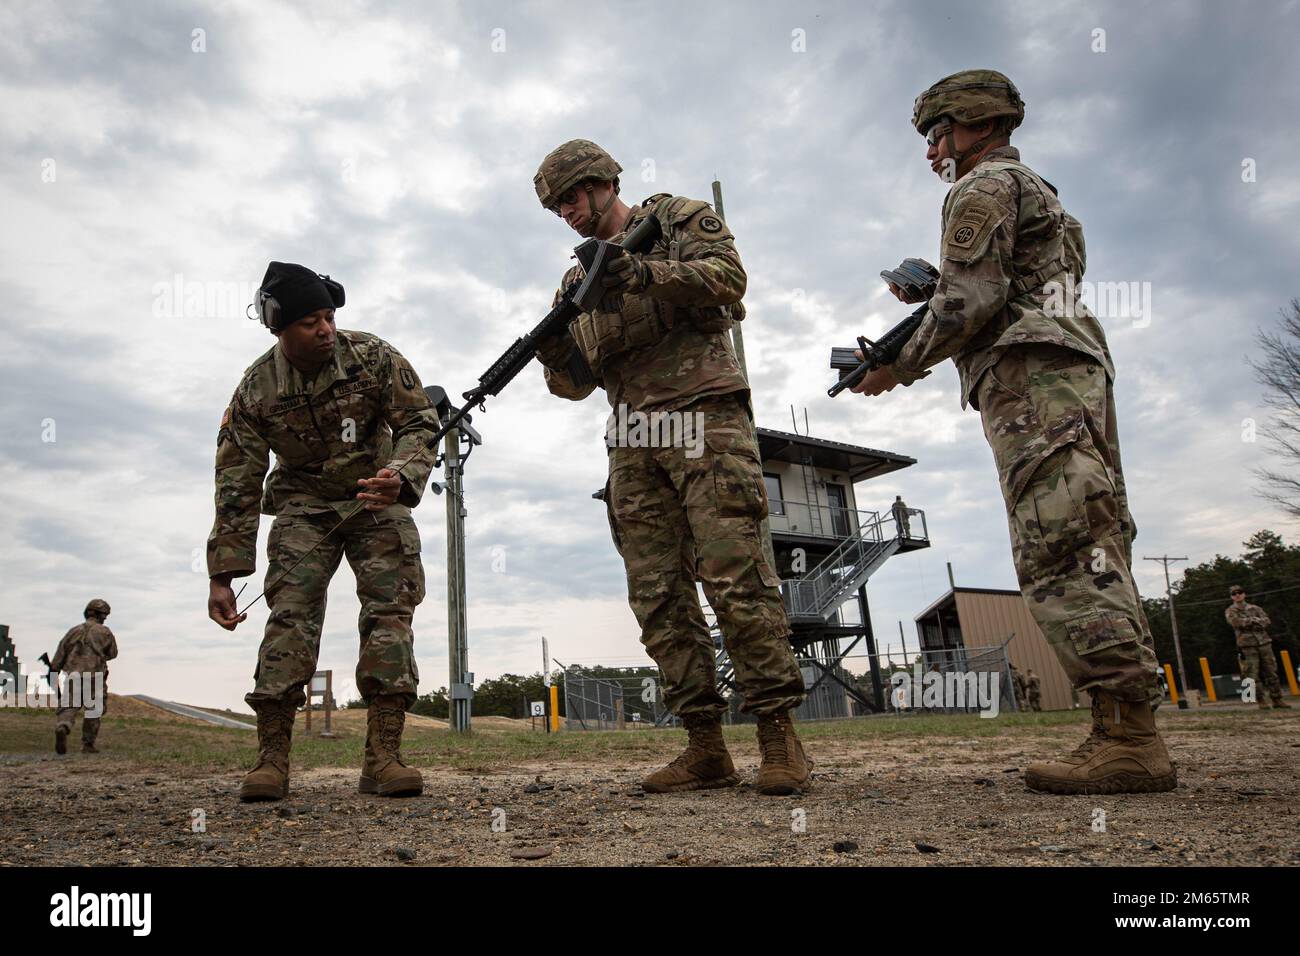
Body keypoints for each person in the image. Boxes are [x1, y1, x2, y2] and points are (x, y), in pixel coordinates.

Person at [852, 71, 1174, 795]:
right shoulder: (1043, 194)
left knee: (1058, 543)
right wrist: (936, 293)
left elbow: (970, 301)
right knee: (1091, 538)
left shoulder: (980, 189)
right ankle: (1125, 726)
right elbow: (1005, 286)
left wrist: (894, 364)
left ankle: (1128, 739)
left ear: (972, 122)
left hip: (1032, 382)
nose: (932, 150)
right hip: (1069, 374)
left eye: (936, 133)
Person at [532, 139, 811, 796]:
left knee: (734, 574)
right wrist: (551, 354)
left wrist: (646, 274)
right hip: (631, 435)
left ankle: (778, 737)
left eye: (575, 195)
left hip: (703, 414)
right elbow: (576, 384)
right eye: (557, 205)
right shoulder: (573, 284)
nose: (569, 211)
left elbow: (729, 279)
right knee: (658, 594)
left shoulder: (678, 220)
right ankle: (705, 746)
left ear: (604, 182)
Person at [207, 262, 440, 801]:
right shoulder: (255, 390)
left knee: (390, 615)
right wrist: (224, 574)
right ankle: (272, 760)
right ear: (278, 327)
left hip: (375, 497)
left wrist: (400, 476)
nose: (326, 329)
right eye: (311, 321)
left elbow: (419, 421)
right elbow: (236, 481)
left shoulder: (373, 356)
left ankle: (384, 757)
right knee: (290, 617)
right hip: (303, 506)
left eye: (330, 316)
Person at [51, 599, 117, 754]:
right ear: (101, 615)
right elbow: (113, 653)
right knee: (94, 709)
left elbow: (60, 655)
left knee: (69, 705)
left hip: (73, 674)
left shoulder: (73, 631)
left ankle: (63, 725)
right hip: (95, 676)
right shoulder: (105, 632)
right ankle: (88, 744)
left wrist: (56, 669)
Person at [1225, 586, 1290, 709]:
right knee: (1252, 674)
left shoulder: (1255, 608)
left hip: (1264, 643)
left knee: (1271, 672)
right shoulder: (1231, 611)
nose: (1237, 595)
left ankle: (1277, 699)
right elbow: (1235, 623)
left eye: (1240, 592)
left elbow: (1266, 621)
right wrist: (1253, 621)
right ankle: (1261, 701)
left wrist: (1252, 621)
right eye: (1234, 593)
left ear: (1244, 594)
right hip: (1247, 646)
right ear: (1231, 596)